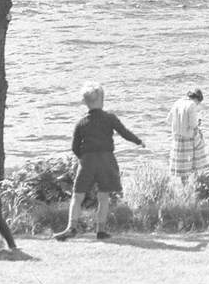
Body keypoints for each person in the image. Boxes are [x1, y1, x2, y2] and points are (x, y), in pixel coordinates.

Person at [55, 82, 144, 241]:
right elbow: (124, 133)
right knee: (104, 196)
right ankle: (100, 230)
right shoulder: (110, 118)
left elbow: (74, 147)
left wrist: (83, 158)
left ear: (85, 103)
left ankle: (71, 227)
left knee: (77, 195)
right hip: (106, 160)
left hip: (87, 161)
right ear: (102, 100)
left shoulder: (81, 123)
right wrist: (138, 141)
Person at [167, 87, 208, 183]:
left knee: (182, 166)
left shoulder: (177, 102)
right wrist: (198, 122)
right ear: (197, 99)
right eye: (198, 102)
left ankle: (184, 187)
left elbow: (169, 119)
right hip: (188, 138)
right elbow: (193, 124)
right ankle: (197, 184)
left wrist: (179, 124)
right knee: (197, 162)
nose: (198, 104)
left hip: (177, 138)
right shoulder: (192, 105)